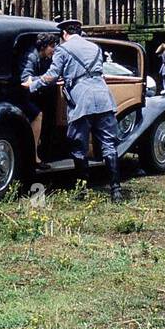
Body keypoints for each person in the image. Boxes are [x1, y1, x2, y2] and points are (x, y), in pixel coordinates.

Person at [32, 19, 124, 200]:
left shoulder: (63, 49)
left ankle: (82, 190)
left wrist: (34, 84)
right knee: (109, 145)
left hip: (82, 101)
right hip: (104, 97)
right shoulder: (95, 48)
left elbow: (52, 75)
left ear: (64, 34)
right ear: (79, 32)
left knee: (78, 146)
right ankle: (116, 189)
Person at [19, 32, 60, 155]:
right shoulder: (31, 56)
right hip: (22, 95)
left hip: (38, 95)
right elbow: (26, 80)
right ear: (43, 46)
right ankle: (33, 155)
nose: (53, 50)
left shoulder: (47, 58)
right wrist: (46, 79)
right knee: (38, 115)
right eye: (51, 46)